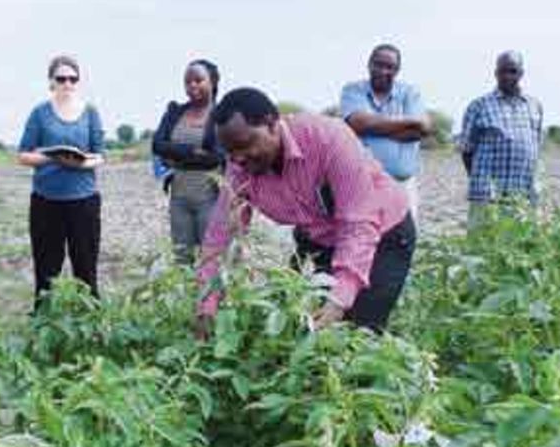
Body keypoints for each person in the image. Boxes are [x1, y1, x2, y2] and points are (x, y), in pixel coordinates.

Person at [196, 88, 415, 336]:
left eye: (245, 145)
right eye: (230, 152)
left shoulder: (328, 139)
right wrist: (207, 305)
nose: (239, 159)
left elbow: (358, 224)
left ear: (272, 123)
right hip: (320, 238)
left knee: (357, 332)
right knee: (297, 321)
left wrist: (339, 298)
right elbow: (219, 237)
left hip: (383, 235)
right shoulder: (240, 168)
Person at [16, 55, 105, 309]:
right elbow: (23, 154)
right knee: (46, 271)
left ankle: (90, 321)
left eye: (72, 79)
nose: (67, 84)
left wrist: (80, 163)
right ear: (51, 82)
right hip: (46, 202)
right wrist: (49, 156)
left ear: (78, 82)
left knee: (86, 268)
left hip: (83, 202)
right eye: (61, 79)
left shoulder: (90, 112)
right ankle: (44, 323)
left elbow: (100, 155)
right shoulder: (39, 113)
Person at [339, 44, 432, 223]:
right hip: (363, 185)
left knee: (403, 242)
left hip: (401, 185)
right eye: (378, 64)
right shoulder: (353, 90)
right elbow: (358, 122)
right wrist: (409, 121)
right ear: (369, 64)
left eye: (389, 67)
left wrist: (373, 127)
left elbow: (422, 130)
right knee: (363, 238)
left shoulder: (410, 93)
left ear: (397, 70)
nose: (383, 70)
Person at [459, 51, 544, 229]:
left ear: (521, 73)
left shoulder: (534, 105)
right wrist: (481, 180)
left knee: (520, 248)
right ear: (496, 73)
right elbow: (466, 150)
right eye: (502, 71)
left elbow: (536, 146)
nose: (507, 76)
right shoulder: (479, 106)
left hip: (522, 196)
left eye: (512, 71)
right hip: (487, 196)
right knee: (481, 247)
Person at [152, 59, 225, 264]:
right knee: (182, 258)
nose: (192, 86)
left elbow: (216, 157)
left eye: (198, 80)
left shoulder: (221, 115)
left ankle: (211, 297)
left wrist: (175, 154)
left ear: (213, 81)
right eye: (187, 82)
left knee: (211, 257)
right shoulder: (175, 111)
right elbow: (157, 145)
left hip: (209, 195)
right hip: (179, 196)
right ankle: (188, 297)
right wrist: (193, 151)